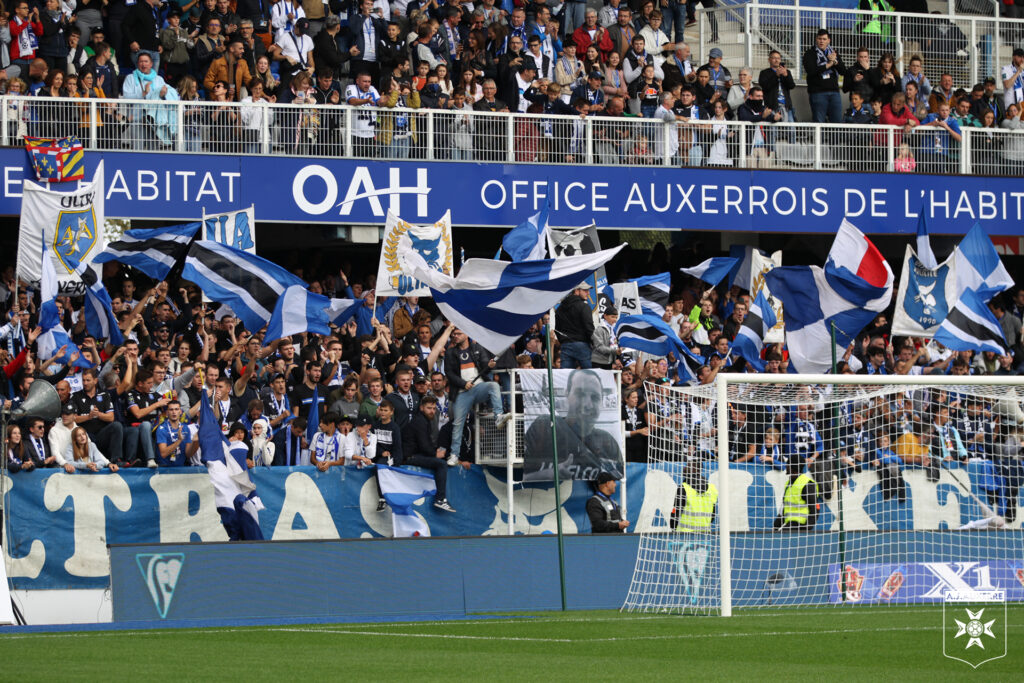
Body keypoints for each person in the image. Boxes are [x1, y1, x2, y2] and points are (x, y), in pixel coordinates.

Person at [523, 368, 624, 481]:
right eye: (580, 394)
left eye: (595, 397)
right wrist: (547, 475)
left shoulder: (608, 443)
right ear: (567, 394)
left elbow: (619, 482)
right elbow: (518, 476)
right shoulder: (543, 428)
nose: (588, 404)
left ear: (601, 402)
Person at [442, 327, 509, 466]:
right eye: (454, 334)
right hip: (461, 392)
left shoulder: (477, 348)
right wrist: (463, 383)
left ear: (466, 334)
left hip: (478, 387)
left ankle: (498, 417)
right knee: (457, 424)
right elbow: (449, 373)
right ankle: (454, 454)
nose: (455, 336)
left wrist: (490, 365)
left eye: (458, 333)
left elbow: (485, 366)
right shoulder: (450, 352)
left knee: (493, 385)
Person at [401, 395, 455, 511]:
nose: (432, 411)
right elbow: (424, 446)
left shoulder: (425, 420)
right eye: (429, 408)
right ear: (421, 408)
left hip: (417, 454)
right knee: (441, 464)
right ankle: (440, 499)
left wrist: (437, 452)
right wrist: (435, 454)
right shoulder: (420, 421)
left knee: (442, 459)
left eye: (434, 408)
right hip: (410, 457)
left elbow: (426, 445)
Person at [802, 29, 846, 124]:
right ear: (816, 39)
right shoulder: (810, 53)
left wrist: (835, 61)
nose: (822, 41)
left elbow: (843, 71)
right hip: (818, 93)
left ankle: (834, 139)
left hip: (834, 92)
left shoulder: (833, 53)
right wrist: (828, 65)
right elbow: (811, 71)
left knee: (837, 122)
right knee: (819, 122)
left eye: (824, 39)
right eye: (819, 38)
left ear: (829, 40)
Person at [555, 282, 595, 369]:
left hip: (566, 345)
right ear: (576, 291)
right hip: (582, 345)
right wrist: (594, 343)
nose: (588, 293)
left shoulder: (560, 308)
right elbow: (589, 327)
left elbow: (557, 329)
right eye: (585, 290)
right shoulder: (584, 306)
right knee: (591, 375)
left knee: (565, 377)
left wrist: (564, 341)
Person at [670, 462, 718, 532]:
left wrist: (673, 528)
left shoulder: (683, 488)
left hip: (684, 535)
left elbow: (675, 512)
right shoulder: (712, 488)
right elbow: (712, 516)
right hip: (705, 534)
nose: (685, 468)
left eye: (688, 466)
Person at [775, 458, 818, 529]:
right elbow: (785, 506)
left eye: (788, 464)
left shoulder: (807, 484)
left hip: (802, 525)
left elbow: (815, 508)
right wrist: (777, 524)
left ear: (792, 467)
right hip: (790, 524)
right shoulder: (788, 483)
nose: (786, 466)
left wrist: (807, 527)